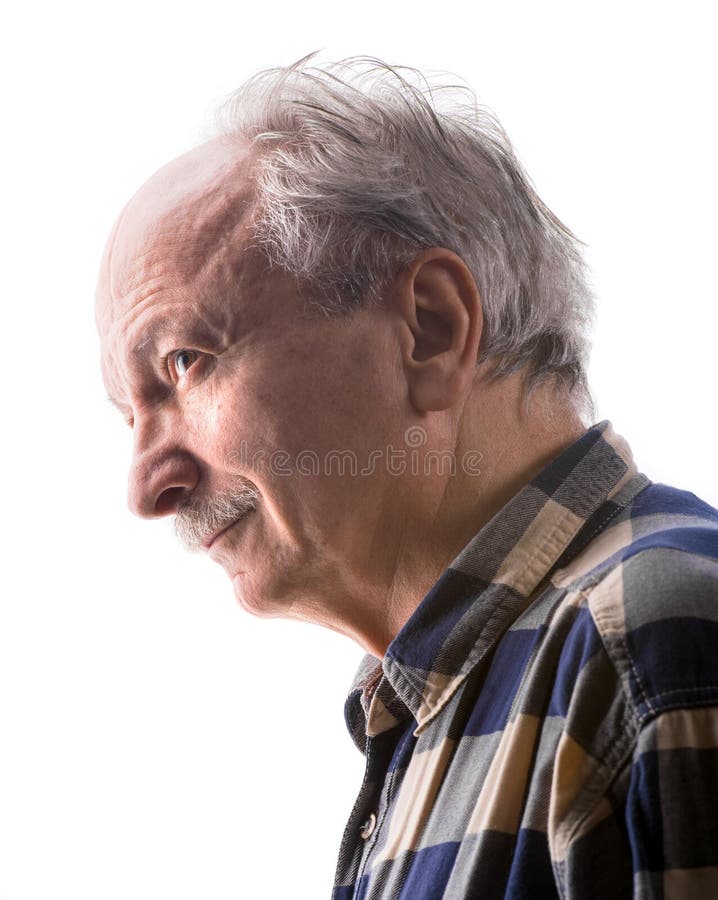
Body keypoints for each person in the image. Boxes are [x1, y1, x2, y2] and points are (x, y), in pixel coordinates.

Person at [96, 54, 718, 899]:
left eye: (185, 364)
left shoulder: (652, 639)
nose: (147, 488)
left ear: (429, 329)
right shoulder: (430, 714)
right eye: (130, 416)